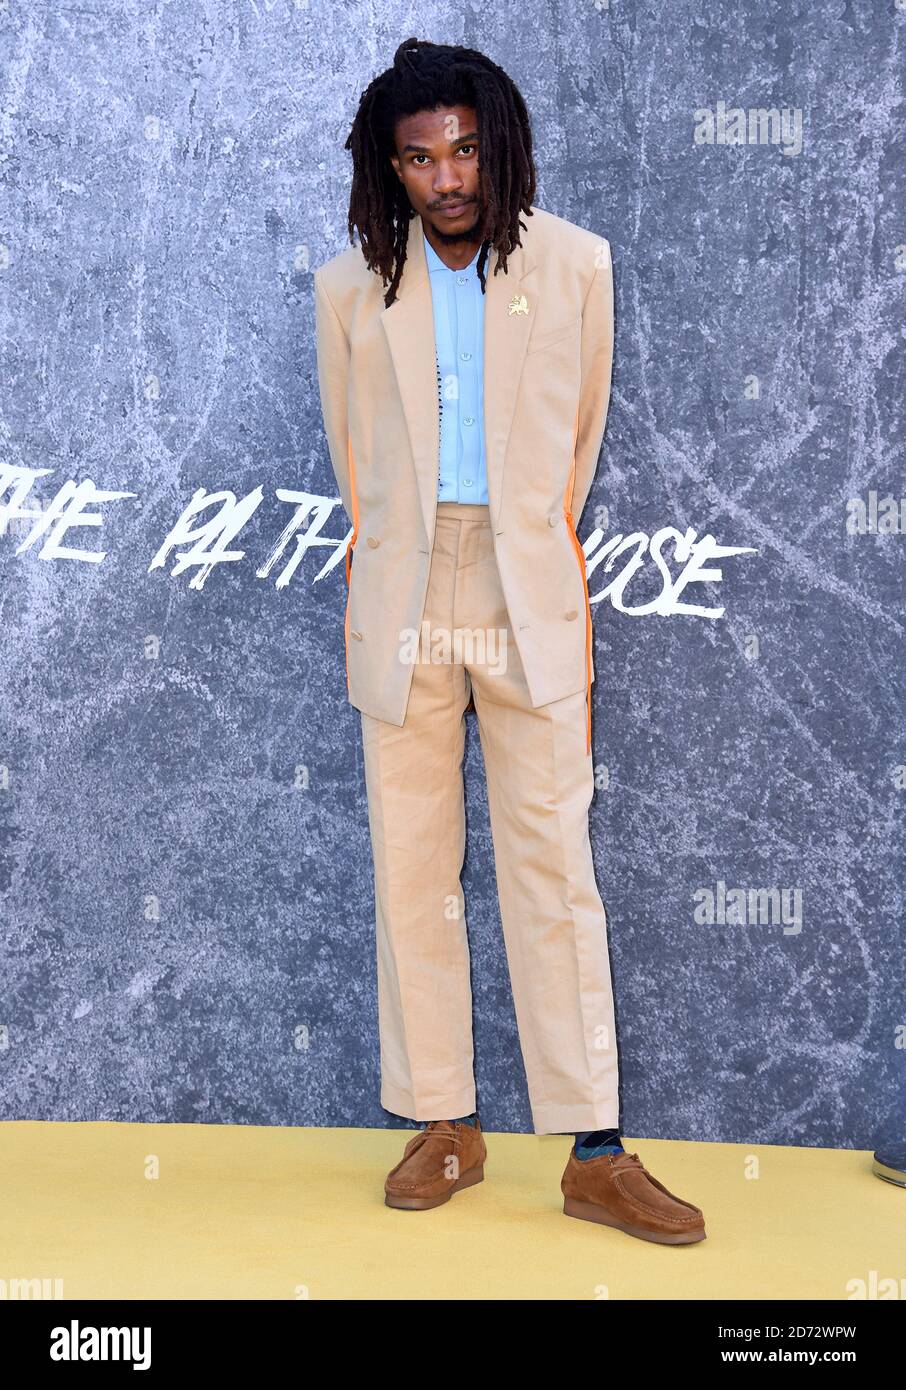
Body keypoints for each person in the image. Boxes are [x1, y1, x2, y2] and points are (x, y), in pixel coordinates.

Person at [314, 37, 705, 1244]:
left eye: (467, 149)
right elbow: (356, 469)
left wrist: (517, 545)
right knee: (414, 869)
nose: (449, 177)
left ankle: (594, 1147)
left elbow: (574, 445)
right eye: (422, 157)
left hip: (526, 577)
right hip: (406, 584)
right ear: (392, 167)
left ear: (501, 144)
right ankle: (445, 1122)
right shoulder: (350, 290)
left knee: (555, 867)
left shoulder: (576, 265)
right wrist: (414, 557)